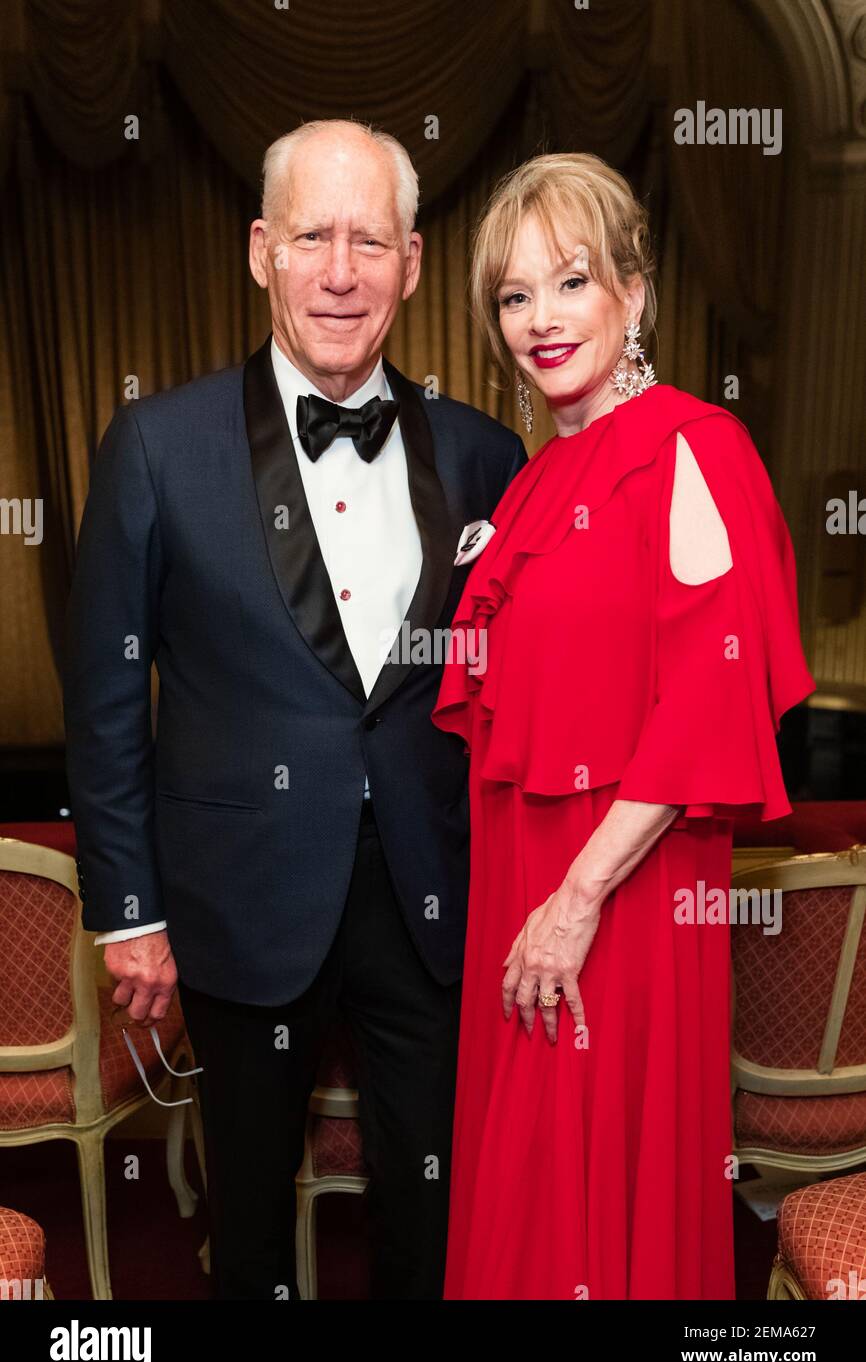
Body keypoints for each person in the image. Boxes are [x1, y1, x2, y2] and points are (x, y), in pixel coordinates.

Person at [63, 118, 527, 1300]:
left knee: (435, 1212)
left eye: (368, 241)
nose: (338, 272)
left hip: (432, 897)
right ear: (259, 250)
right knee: (251, 1229)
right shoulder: (156, 447)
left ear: (410, 265)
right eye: (312, 237)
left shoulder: (484, 455)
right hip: (238, 896)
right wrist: (128, 913)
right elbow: (106, 699)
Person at [431, 151, 816, 1300]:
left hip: (618, 899)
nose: (539, 320)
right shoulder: (530, 483)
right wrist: (540, 904)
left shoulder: (693, 445)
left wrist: (577, 899)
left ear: (633, 293)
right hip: (526, 891)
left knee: (597, 1193)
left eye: (570, 282)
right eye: (513, 295)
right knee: (527, 1190)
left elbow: (709, 700)